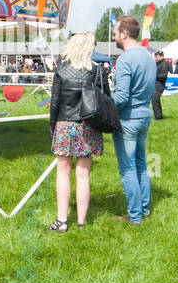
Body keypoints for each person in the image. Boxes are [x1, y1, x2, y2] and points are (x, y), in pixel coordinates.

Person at [46, 31, 105, 231]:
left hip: (64, 124)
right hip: (88, 126)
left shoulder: (61, 70)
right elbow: (105, 101)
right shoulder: (97, 71)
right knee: (83, 174)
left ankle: (62, 221)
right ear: (90, 48)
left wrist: (52, 128)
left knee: (63, 173)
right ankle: (81, 222)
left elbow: (54, 103)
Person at [110, 15, 155, 225]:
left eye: (115, 32)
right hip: (144, 116)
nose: (113, 36)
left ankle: (135, 216)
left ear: (124, 34)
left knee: (127, 169)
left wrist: (103, 107)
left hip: (128, 119)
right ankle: (144, 209)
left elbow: (120, 97)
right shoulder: (148, 56)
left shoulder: (126, 59)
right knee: (141, 165)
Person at [151, 50, 169, 120]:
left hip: (160, 85)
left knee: (155, 99)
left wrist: (154, 76)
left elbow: (163, 76)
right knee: (155, 100)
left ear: (161, 56)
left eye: (157, 56)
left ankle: (158, 117)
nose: (156, 58)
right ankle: (158, 115)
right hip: (157, 84)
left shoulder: (164, 64)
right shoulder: (158, 63)